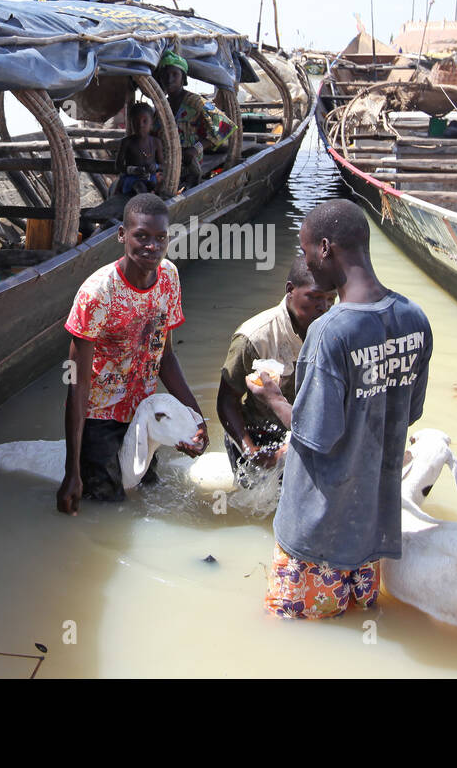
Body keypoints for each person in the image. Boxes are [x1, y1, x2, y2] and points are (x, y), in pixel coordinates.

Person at [247, 199, 432, 620]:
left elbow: (316, 435)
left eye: (308, 251)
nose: (308, 264)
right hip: (370, 533)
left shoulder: (331, 332)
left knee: (294, 634)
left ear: (326, 248)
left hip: (316, 538)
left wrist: (273, 397)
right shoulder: (415, 319)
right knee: (359, 627)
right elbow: (408, 413)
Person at [58, 192, 209, 512]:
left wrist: (195, 418)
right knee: (107, 507)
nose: (151, 246)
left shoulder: (168, 278)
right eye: (141, 236)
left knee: (148, 492)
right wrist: (72, 471)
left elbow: (165, 356)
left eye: (160, 238)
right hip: (99, 418)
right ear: (122, 235)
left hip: (142, 412)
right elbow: (77, 385)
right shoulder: (98, 293)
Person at [215, 257, 334, 488]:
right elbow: (227, 401)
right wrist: (251, 451)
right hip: (256, 435)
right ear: (290, 290)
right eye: (316, 297)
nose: (325, 307)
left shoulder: (333, 332)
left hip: (301, 432)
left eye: (331, 299)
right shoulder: (255, 337)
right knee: (258, 506)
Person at [153, 50, 234, 189]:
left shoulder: (196, 102)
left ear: (183, 79)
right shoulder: (162, 105)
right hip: (165, 162)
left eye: (175, 74)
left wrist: (196, 149)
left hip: (189, 163)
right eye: (165, 75)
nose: (169, 79)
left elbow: (224, 127)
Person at [114, 102, 163, 196]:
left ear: (151, 123)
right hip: (132, 179)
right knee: (140, 187)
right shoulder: (126, 142)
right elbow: (118, 165)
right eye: (136, 122)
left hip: (150, 177)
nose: (140, 125)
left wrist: (155, 166)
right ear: (130, 123)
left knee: (158, 187)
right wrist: (133, 170)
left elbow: (163, 165)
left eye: (145, 121)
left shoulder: (156, 142)